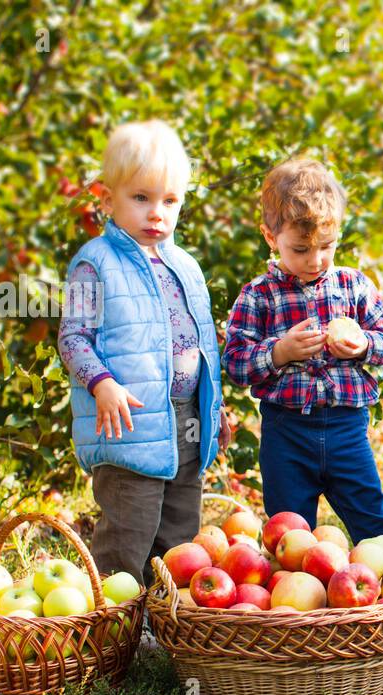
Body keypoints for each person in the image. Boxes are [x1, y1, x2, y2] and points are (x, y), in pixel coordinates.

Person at [58, 119, 229, 585]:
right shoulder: (96, 263)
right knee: (129, 531)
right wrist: (102, 383)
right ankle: (116, 626)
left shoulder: (186, 267)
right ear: (108, 199)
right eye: (141, 198)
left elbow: (203, 347)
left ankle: (165, 622)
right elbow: (72, 337)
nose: (157, 213)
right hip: (128, 422)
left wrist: (215, 408)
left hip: (185, 419)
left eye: (169, 201)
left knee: (180, 533)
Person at [223, 158, 383, 556]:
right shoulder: (259, 295)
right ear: (270, 237)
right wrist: (278, 352)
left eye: (326, 246)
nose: (316, 259)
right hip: (286, 433)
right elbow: (234, 361)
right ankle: (297, 614)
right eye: (301, 249)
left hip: (345, 430)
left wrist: (363, 345)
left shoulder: (353, 285)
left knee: (374, 522)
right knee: (288, 536)